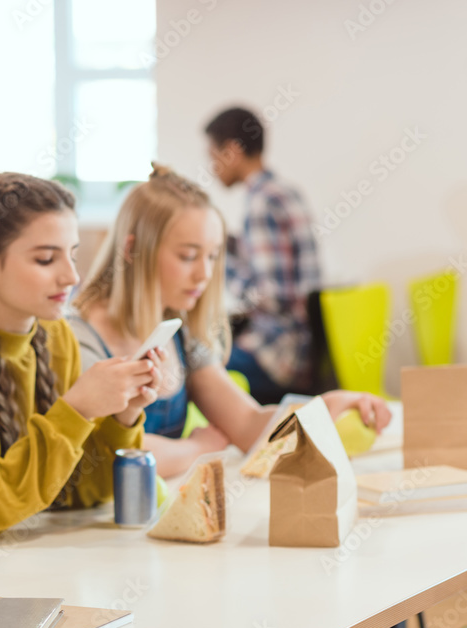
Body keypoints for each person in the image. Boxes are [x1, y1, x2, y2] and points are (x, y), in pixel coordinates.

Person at [69, 164, 389, 478]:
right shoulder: (79, 339)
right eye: (188, 256)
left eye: (212, 256)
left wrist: (328, 407)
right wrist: (196, 449)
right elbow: (107, 456)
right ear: (133, 249)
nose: (204, 274)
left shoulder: (181, 335)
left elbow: (249, 425)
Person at [0, 172, 162, 543]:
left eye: (72, 255)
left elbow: (78, 494)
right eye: (45, 259)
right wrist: (76, 411)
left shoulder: (57, 337)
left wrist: (122, 417)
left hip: (18, 562)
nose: (71, 276)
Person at [204, 107, 321, 404]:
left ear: (231, 151)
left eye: (213, 156)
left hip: (279, 356)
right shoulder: (285, 191)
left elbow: (273, 297)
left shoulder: (260, 205)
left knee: (199, 368)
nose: (212, 167)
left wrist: (222, 262)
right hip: (305, 347)